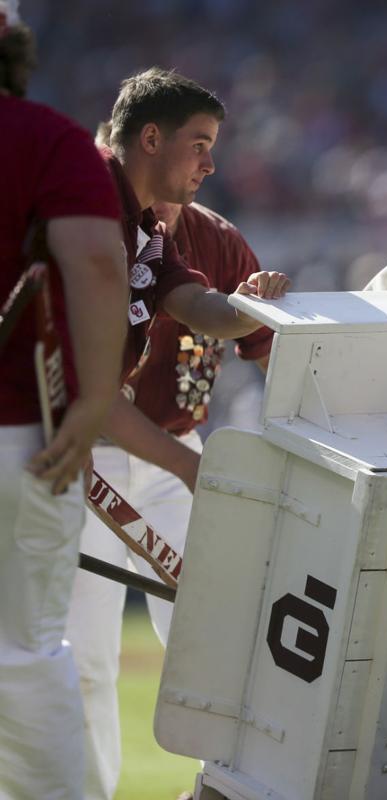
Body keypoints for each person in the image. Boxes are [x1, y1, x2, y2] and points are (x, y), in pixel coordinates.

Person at [63, 67, 289, 800]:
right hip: (73, 450)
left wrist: (258, 311)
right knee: (77, 656)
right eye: (200, 146)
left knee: (222, 634)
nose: (211, 164)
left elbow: (237, 332)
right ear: (146, 141)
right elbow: (87, 394)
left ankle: (225, 788)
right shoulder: (80, 208)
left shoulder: (194, 239)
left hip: (170, 452)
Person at [0, 2, 129, 797]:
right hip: (24, 435)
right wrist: (94, 404)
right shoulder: (49, 139)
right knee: (22, 651)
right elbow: (96, 264)